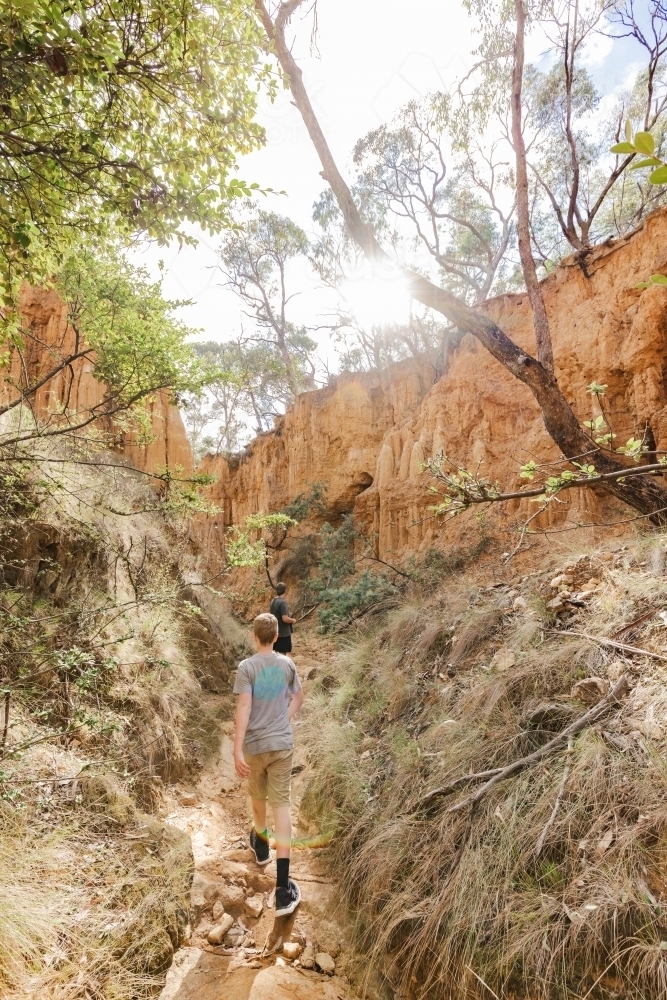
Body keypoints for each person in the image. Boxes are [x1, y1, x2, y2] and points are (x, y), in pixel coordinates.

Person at [233, 611, 304, 917]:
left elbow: (245, 706)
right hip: (281, 745)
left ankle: (261, 849)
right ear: (276, 636)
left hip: (254, 745)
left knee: (257, 797)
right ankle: (283, 890)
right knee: (282, 806)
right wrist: (283, 721)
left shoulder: (246, 667)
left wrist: (237, 748)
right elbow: (298, 699)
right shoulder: (287, 664)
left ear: (254, 636)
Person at [269, 581, 296, 654]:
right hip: (283, 633)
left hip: (275, 631)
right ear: (285, 591)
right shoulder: (283, 602)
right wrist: (293, 620)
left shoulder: (273, 601)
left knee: (276, 653)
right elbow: (285, 618)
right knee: (282, 654)